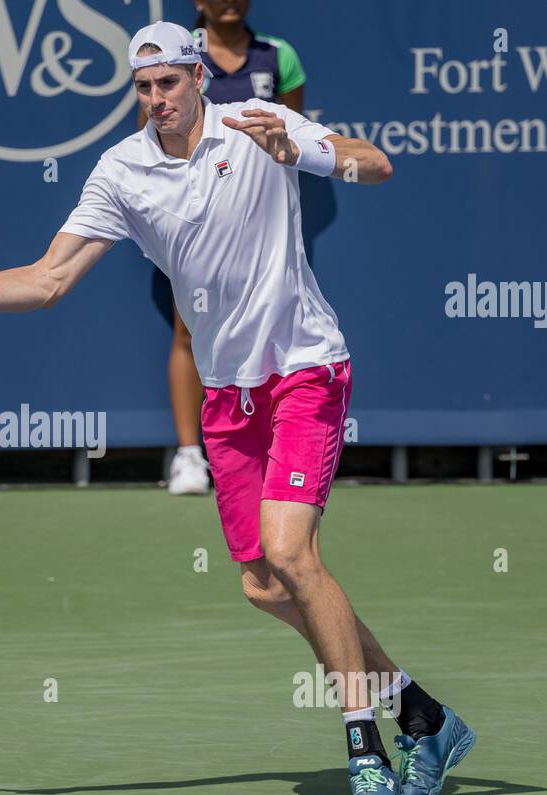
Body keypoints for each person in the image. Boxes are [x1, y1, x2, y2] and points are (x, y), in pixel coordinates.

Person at [0, 22, 475, 795]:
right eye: (143, 86)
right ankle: (424, 717)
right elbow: (48, 278)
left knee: (292, 553)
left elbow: (377, 163)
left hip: (305, 368)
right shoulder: (121, 172)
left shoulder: (257, 123)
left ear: (200, 77)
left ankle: (365, 750)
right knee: (264, 583)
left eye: (169, 82)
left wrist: (303, 153)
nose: (157, 99)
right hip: (226, 396)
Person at [154, 1, 309, 495]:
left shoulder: (278, 55)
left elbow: (294, 140)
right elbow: (156, 136)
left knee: (270, 330)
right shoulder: (179, 57)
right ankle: (188, 457)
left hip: (262, 223)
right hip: (195, 219)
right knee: (190, 330)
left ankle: (272, 455)